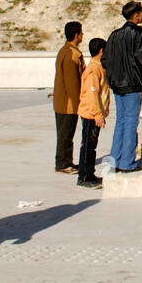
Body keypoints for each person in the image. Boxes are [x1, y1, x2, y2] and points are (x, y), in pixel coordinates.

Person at [103, 0, 142, 172]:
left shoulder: (114, 35)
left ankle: (114, 160)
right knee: (132, 122)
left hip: (118, 84)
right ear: (136, 15)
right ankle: (128, 162)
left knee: (121, 121)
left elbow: (106, 59)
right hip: (132, 84)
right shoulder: (139, 34)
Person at [77, 37, 110, 188]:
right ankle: (84, 178)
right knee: (88, 147)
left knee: (92, 146)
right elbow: (92, 94)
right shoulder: (93, 70)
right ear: (102, 51)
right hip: (90, 114)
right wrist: (98, 114)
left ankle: (89, 173)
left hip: (94, 113)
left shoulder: (98, 67)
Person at [53, 20, 84, 174]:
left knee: (64, 134)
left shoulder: (64, 50)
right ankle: (63, 164)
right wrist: (79, 103)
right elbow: (72, 83)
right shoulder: (72, 54)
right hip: (68, 103)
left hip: (62, 100)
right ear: (77, 35)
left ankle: (66, 161)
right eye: (81, 33)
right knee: (66, 134)